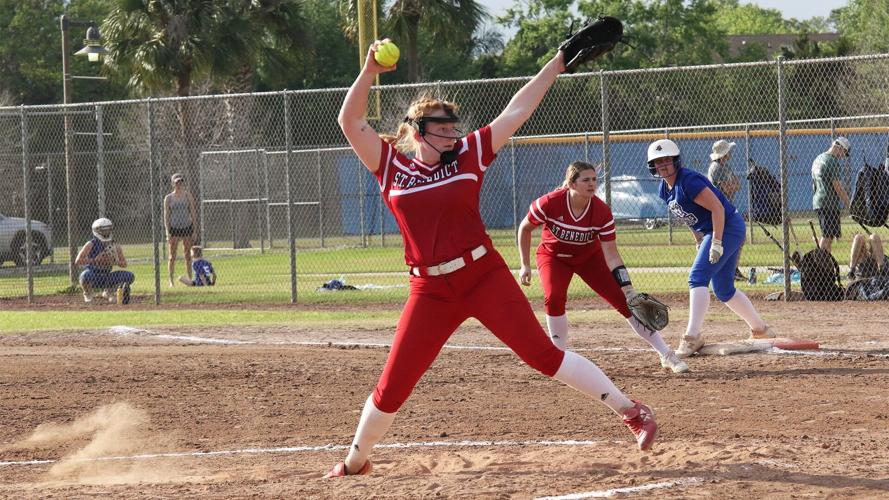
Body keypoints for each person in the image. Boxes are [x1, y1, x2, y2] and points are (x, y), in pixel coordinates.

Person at [325, 38, 657, 478]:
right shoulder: (391, 166)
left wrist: (557, 63)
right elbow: (350, 121)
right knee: (394, 384)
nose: (453, 134)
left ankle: (632, 411)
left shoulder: (468, 154)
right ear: (418, 130)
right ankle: (354, 462)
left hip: (483, 276)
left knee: (543, 356)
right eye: (443, 128)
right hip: (430, 290)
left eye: (454, 127)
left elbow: (517, 111)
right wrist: (369, 71)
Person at [517, 161, 688, 374]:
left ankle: (666, 354)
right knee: (554, 297)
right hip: (554, 257)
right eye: (586, 180)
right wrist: (525, 265)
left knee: (627, 303)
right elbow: (525, 229)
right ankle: (557, 358)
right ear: (572, 183)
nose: (592, 184)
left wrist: (628, 289)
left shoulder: (601, 211)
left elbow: (612, 255)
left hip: (589, 258)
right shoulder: (550, 202)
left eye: (594, 179)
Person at [647, 139, 775, 358]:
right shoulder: (664, 189)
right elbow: (688, 217)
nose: (663, 165)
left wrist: (716, 242)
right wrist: (699, 239)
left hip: (727, 226)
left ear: (676, 161)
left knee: (697, 278)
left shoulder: (689, 181)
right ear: (653, 166)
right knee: (723, 289)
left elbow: (717, 208)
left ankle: (692, 336)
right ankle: (761, 330)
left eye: (667, 160)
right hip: (715, 230)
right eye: (658, 162)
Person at [707, 139, 746, 281]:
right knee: (734, 238)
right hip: (721, 208)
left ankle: (732, 269)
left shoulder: (726, 166)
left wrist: (731, 186)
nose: (730, 153)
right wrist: (731, 186)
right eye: (728, 151)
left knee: (739, 238)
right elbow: (727, 189)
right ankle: (729, 270)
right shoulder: (717, 168)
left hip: (728, 206)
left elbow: (737, 185)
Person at [75, 217, 134, 304]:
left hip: (107, 276)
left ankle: (108, 292)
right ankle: (88, 293)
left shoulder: (115, 245)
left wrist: (114, 261)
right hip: (93, 275)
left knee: (129, 276)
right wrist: (95, 260)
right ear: (96, 231)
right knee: (85, 275)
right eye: (103, 230)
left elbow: (124, 264)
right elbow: (78, 261)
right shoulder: (91, 244)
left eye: (108, 230)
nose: (106, 232)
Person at [812, 137, 851, 253]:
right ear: (839, 147)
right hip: (829, 203)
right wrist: (849, 205)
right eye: (844, 152)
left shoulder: (818, 158)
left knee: (828, 235)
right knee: (827, 236)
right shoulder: (832, 161)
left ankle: (825, 261)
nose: (843, 156)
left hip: (819, 200)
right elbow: (837, 187)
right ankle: (820, 261)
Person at [163, 172, 199, 287]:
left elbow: (193, 212)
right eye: (177, 182)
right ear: (173, 184)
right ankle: (171, 281)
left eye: (180, 182)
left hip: (186, 227)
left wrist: (194, 230)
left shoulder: (188, 196)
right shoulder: (168, 198)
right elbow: (166, 216)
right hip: (174, 228)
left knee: (187, 255)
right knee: (172, 256)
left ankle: (190, 279)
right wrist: (167, 232)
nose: (179, 184)